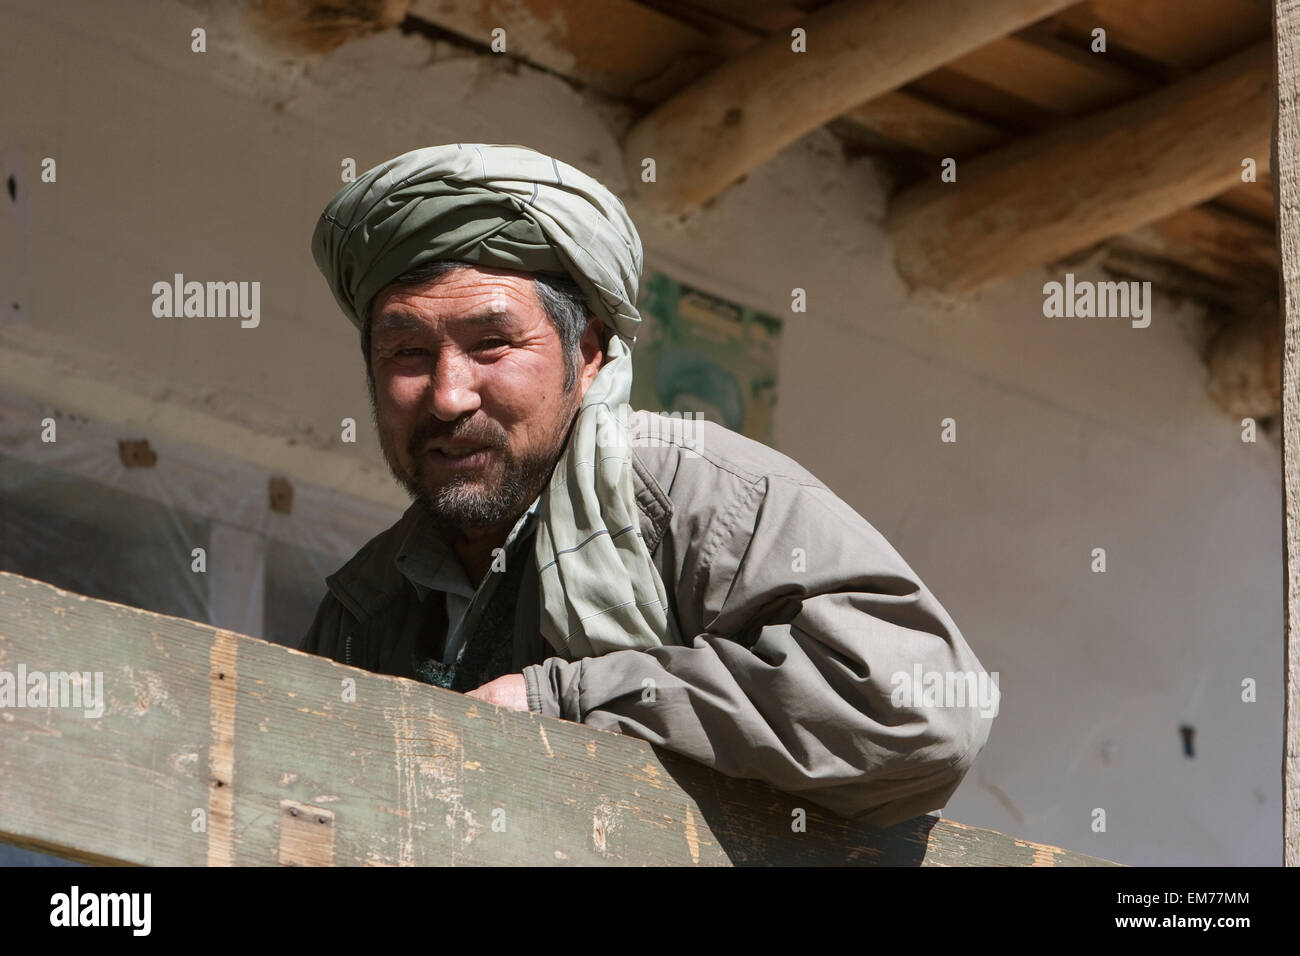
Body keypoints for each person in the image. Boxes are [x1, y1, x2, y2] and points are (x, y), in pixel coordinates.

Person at [300, 143, 995, 825]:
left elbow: (918, 711)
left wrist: (568, 704)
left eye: (492, 344)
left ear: (591, 353)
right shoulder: (365, 604)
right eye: (407, 352)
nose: (448, 395)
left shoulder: (692, 493)